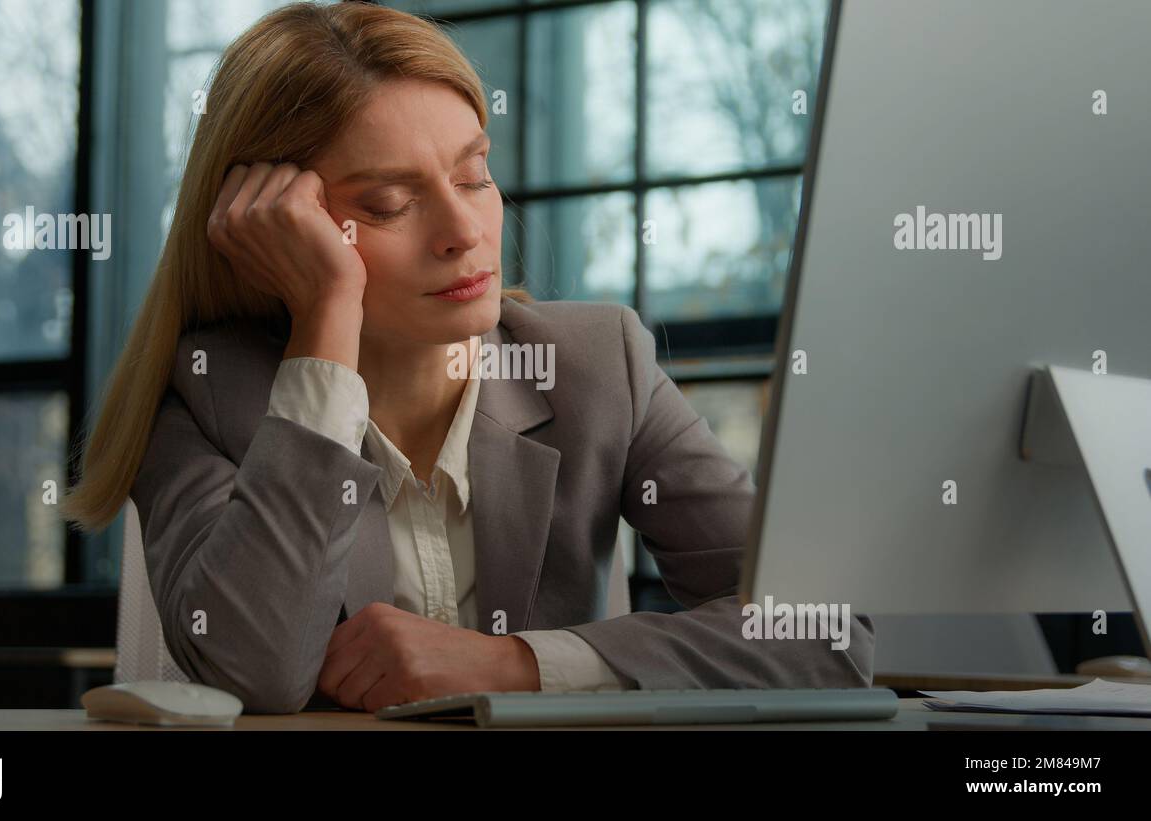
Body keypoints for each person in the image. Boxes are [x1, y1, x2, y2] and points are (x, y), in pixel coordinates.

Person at [62, 1, 874, 714]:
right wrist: (328, 314)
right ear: (276, 232)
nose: (464, 230)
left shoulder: (597, 362)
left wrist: (514, 664)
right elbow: (258, 670)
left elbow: (828, 637)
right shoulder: (205, 394)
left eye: (474, 174)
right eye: (389, 203)